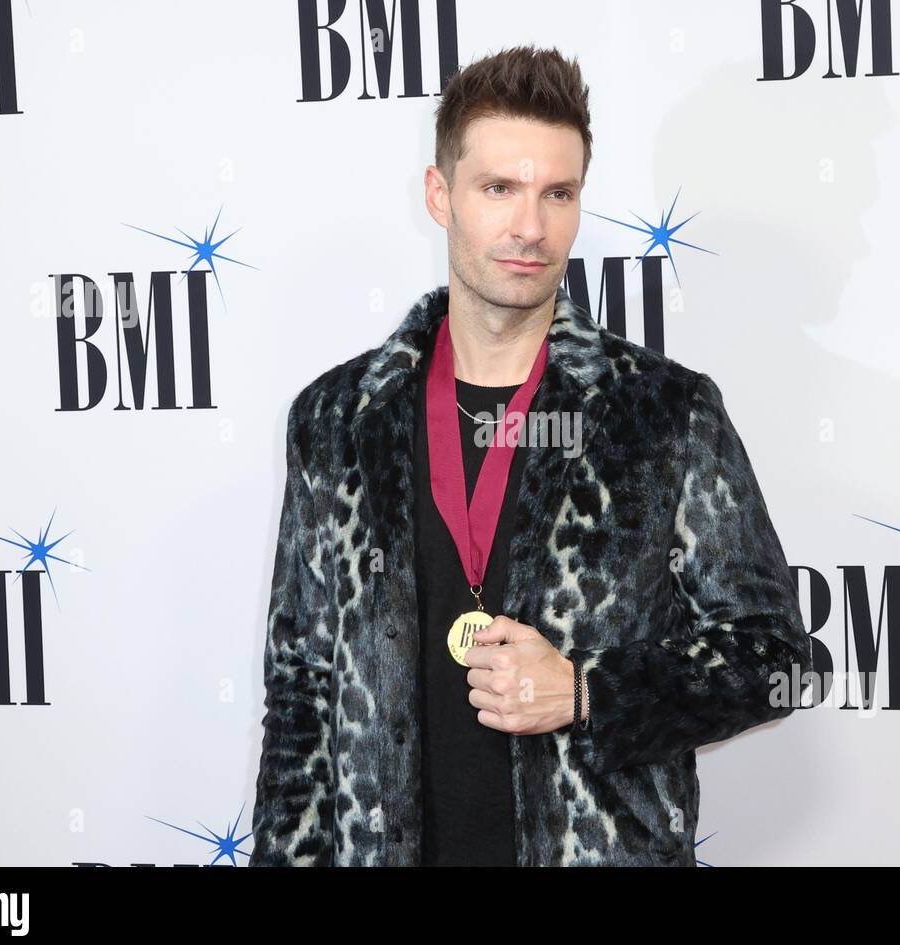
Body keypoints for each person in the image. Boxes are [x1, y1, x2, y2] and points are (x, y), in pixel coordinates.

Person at [249, 44, 812, 867]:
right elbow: (300, 693)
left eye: (559, 193)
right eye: (498, 188)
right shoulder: (336, 419)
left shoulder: (660, 412)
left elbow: (774, 658)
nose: (530, 227)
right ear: (440, 196)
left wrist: (588, 693)